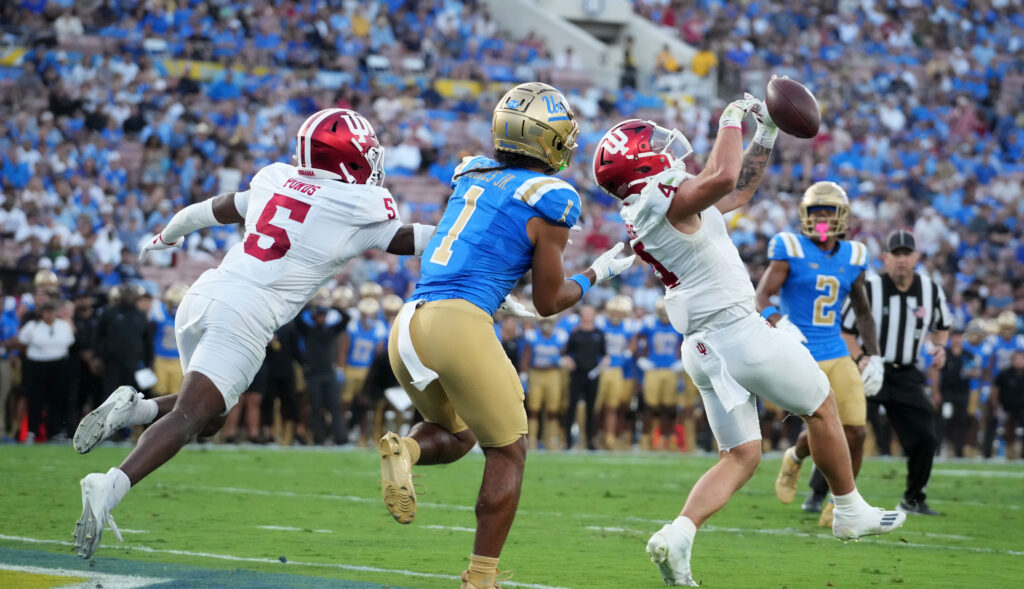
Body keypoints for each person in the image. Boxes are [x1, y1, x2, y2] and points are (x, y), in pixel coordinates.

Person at [70, 108, 437, 559]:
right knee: (190, 417)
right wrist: (473, 245)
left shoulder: (277, 178)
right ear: (346, 159)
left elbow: (214, 208)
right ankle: (109, 486)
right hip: (245, 314)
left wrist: (167, 236)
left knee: (209, 418)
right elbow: (414, 240)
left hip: (204, 294)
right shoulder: (356, 207)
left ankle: (134, 409)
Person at [592, 96, 905, 586]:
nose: (662, 147)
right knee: (824, 407)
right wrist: (730, 118)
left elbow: (734, 192)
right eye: (649, 145)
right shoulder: (662, 199)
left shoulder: (650, 206)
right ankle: (848, 509)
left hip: (701, 346)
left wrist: (766, 134)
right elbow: (720, 177)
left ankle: (678, 536)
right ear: (638, 164)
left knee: (740, 456)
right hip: (736, 330)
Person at [379, 82, 634, 589]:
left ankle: (404, 451)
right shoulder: (554, 197)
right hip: (460, 325)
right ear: (547, 141)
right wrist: (598, 274)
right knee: (508, 451)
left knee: (459, 434)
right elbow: (549, 300)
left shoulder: (471, 172)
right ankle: (481, 577)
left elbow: (484, 241)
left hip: (409, 321)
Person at [755, 181, 882, 528]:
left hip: (837, 350)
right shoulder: (789, 247)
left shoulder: (853, 255)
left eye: (828, 211)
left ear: (842, 216)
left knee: (855, 431)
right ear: (804, 215)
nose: (821, 217)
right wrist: (780, 324)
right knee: (822, 423)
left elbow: (864, 311)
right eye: (815, 211)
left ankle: (843, 507)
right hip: (799, 351)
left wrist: (875, 356)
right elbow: (761, 297)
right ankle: (795, 457)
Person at [840, 230, 951, 516]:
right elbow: (845, 330)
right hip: (872, 370)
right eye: (896, 254)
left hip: (907, 374)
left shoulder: (930, 290)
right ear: (885, 258)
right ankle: (820, 492)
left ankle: (913, 498)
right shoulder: (870, 289)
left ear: (916, 257)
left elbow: (942, 326)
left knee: (926, 437)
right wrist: (861, 357)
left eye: (907, 254)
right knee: (849, 431)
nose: (901, 260)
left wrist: (939, 348)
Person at [637, 299, 683, 451]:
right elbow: (639, 343)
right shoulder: (649, 325)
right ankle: (647, 439)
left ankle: (666, 439)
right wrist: (641, 358)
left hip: (671, 370)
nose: (664, 315)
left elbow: (686, 345)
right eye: (661, 312)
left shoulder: (679, 325)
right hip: (653, 369)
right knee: (650, 406)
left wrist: (681, 361)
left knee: (669, 407)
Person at [991, 349, 1024, 459]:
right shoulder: (1004, 374)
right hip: (1006, 407)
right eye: (1017, 359)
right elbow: (996, 390)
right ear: (1012, 361)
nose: (1020, 361)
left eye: (1022, 359)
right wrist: (996, 406)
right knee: (1006, 429)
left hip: (1022, 408)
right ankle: (1007, 452)